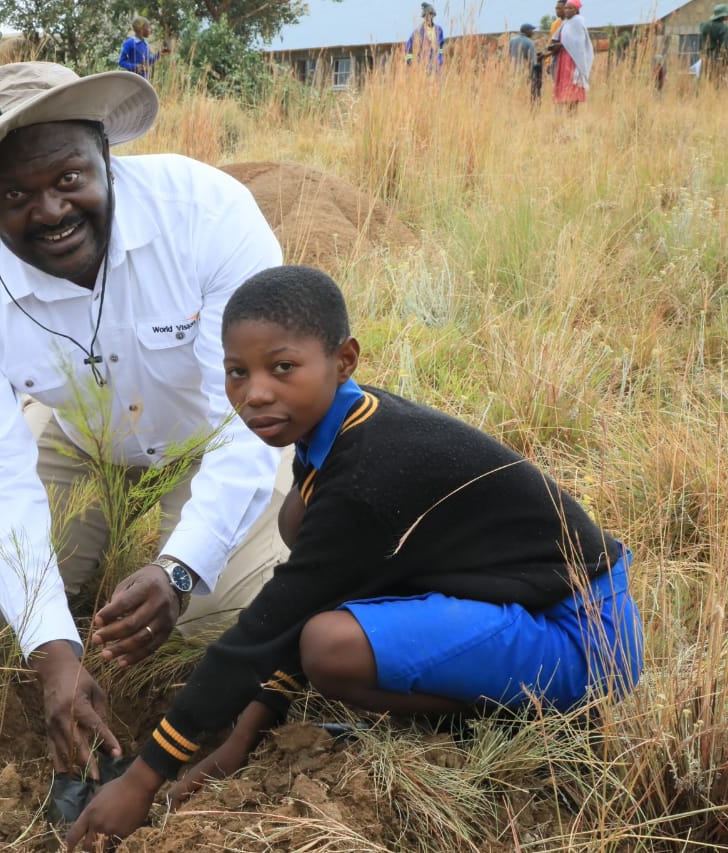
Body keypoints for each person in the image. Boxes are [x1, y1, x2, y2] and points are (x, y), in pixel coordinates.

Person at [67, 265, 645, 849]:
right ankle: (484, 692)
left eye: (282, 367)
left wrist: (143, 778)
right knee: (298, 518)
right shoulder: (335, 426)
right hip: (524, 600)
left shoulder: (367, 475)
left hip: (586, 634)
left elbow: (264, 630)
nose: (255, 392)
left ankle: (512, 724)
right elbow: (316, 590)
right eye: (237, 373)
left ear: (344, 360)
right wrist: (245, 736)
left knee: (329, 645)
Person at [0, 61, 292, 821]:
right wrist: (53, 651)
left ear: (105, 154)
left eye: (68, 178)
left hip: (211, 437)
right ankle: (80, 596)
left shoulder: (210, 215)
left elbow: (250, 424)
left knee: (225, 613)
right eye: (15, 197)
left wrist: (181, 567)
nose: (50, 211)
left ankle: (157, 570)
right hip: (80, 441)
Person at [547, 0, 592, 107]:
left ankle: (571, 113)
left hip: (572, 59)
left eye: (570, 8)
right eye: (566, 8)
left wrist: (562, 45)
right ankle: (565, 114)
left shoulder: (578, 22)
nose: (566, 10)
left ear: (576, 10)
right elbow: (557, 39)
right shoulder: (566, 22)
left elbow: (578, 42)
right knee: (563, 86)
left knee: (571, 85)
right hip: (563, 58)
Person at [405, 3, 445, 70]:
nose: (429, 17)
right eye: (426, 15)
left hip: (437, 67)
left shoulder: (439, 30)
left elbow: (441, 47)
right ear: (424, 16)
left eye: (430, 14)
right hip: (423, 67)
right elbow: (408, 47)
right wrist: (410, 61)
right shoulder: (418, 32)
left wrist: (440, 59)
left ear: (433, 15)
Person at [701, 4, 728, 89]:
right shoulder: (724, 28)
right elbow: (725, 47)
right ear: (724, 16)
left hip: (705, 59)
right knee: (719, 85)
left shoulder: (704, 26)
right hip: (718, 60)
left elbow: (701, 43)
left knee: (708, 84)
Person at [509, 23, 538, 101]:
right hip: (523, 70)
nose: (533, 32)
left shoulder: (512, 40)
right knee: (523, 92)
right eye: (531, 30)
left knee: (513, 91)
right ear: (526, 31)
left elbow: (509, 53)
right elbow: (533, 61)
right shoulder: (530, 42)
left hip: (512, 69)